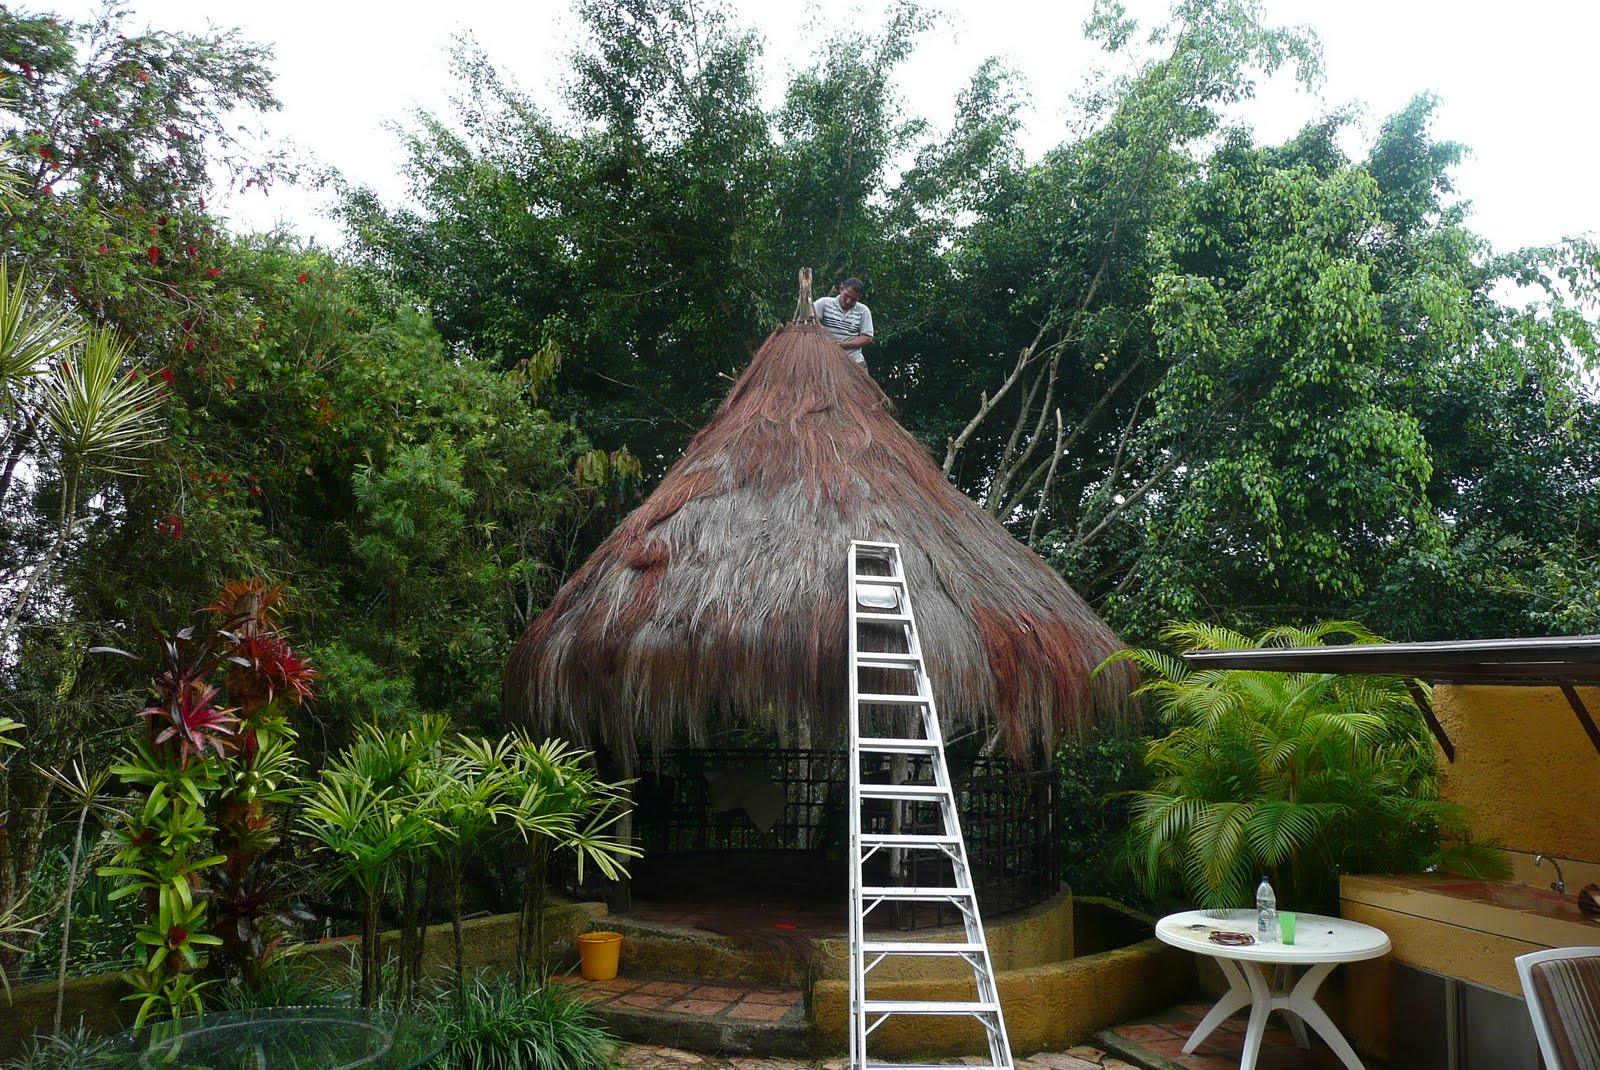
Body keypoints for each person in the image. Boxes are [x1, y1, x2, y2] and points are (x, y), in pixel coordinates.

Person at [814, 277, 874, 365]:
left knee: (863, 379)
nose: (848, 301)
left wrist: (845, 345)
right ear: (841, 289)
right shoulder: (823, 303)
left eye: (853, 299)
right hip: (825, 359)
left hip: (854, 361)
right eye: (846, 296)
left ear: (859, 297)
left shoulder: (863, 311)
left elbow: (867, 337)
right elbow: (808, 322)